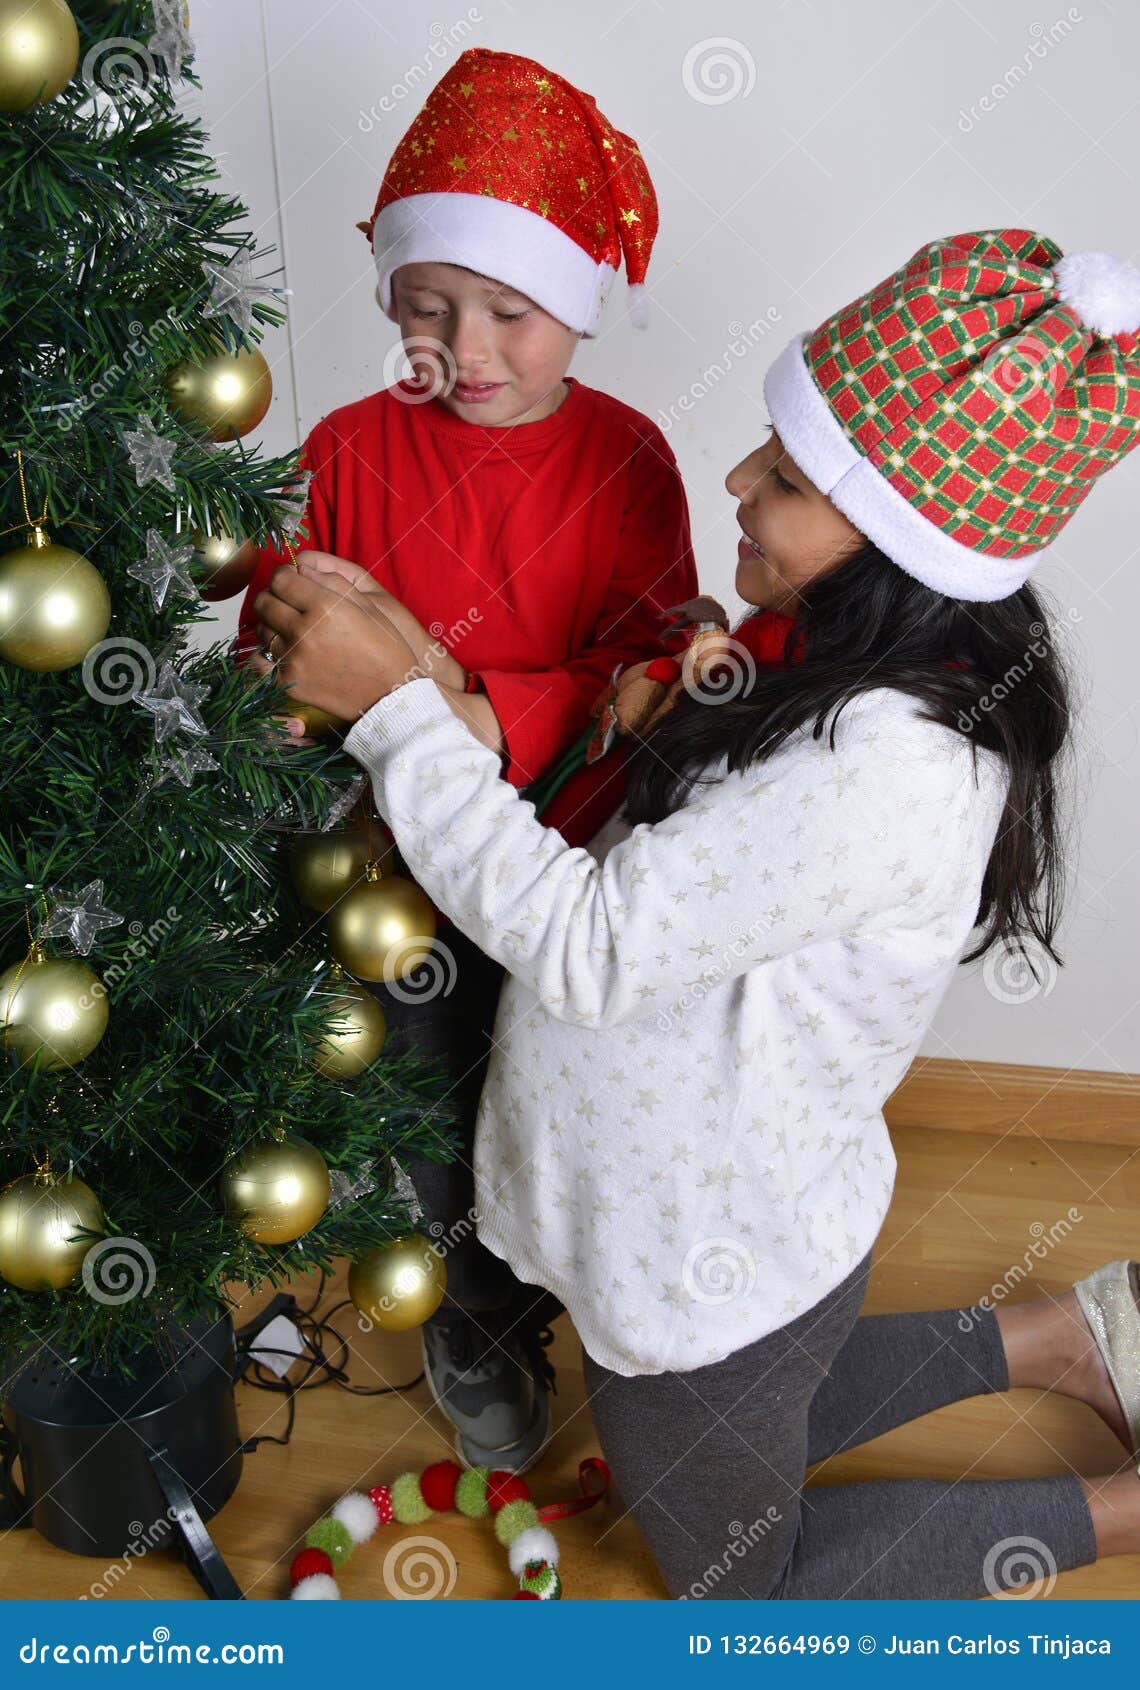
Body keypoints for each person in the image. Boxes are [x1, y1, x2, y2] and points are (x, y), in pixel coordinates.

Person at [254, 227, 1140, 1597]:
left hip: (703, 1260)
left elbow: (588, 941)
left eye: (783, 479)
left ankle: (1121, 1505)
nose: (734, 478)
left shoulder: (880, 767)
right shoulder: (834, 663)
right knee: (750, 1399)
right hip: (739, 1224)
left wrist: (390, 711)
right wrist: (449, 672)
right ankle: (1061, 1340)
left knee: (745, 1579)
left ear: (888, 545)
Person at [237, 48, 698, 1473]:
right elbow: (288, 620)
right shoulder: (355, 446)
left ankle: (593, 1297)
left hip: (568, 867)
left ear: (579, 303)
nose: (470, 350)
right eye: (429, 307)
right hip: (398, 872)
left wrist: (483, 704)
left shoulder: (629, 459)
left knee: (564, 1091)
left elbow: (659, 668)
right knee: (438, 1096)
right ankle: (476, 1312)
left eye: (510, 309)